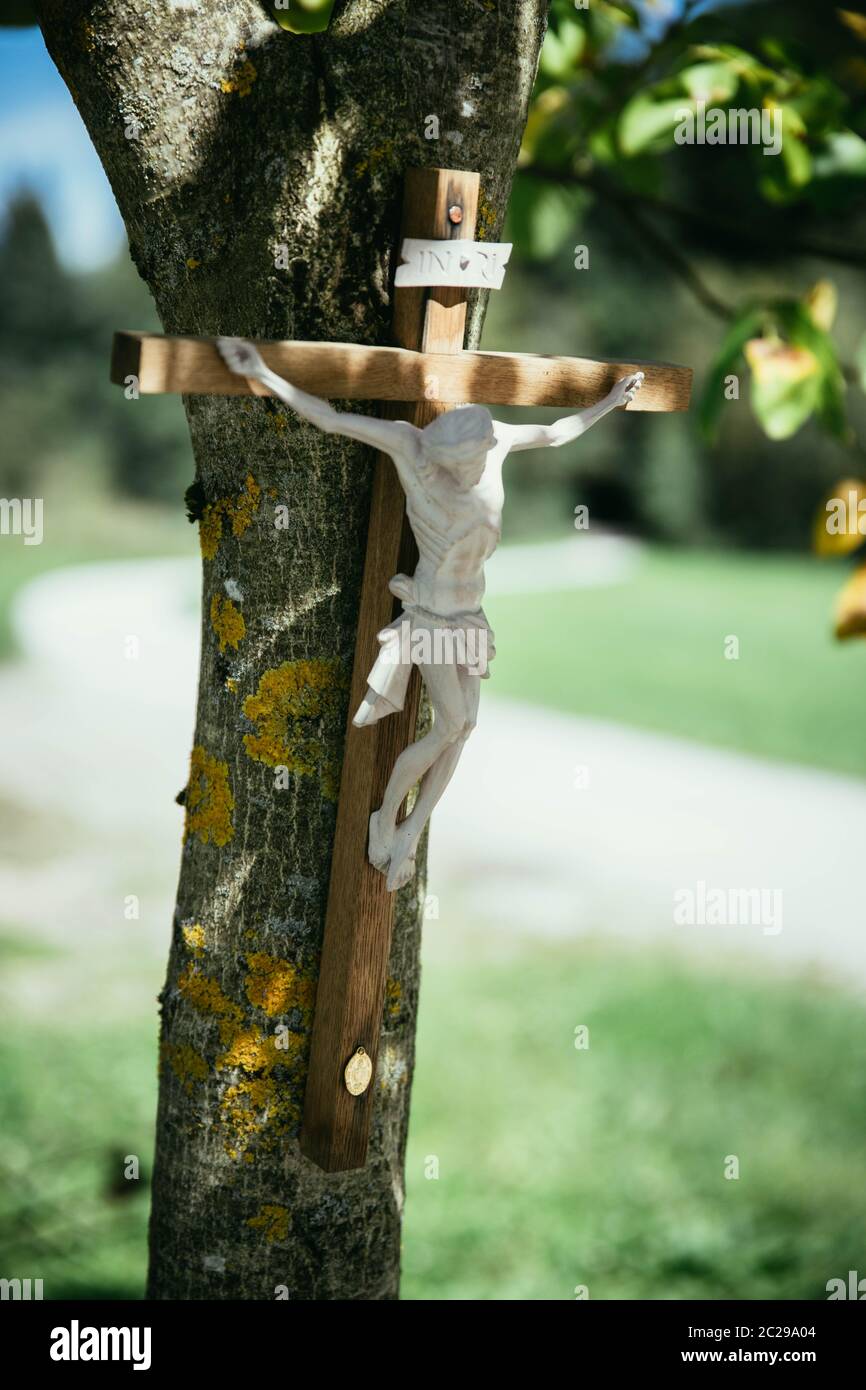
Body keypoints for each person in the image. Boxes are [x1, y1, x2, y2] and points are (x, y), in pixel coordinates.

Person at [218, 337, 643, 890]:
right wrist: (265, 374)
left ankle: (411, 831)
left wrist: (610, 400)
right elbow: (331, 419)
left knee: (464, 729)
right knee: (452, 723)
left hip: (470, 615)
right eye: (453, 467)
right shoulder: (411, 449)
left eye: (466, 465)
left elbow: (558, 432)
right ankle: (386, 818)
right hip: (432, 619)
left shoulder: (499, 442)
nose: (459, 475)